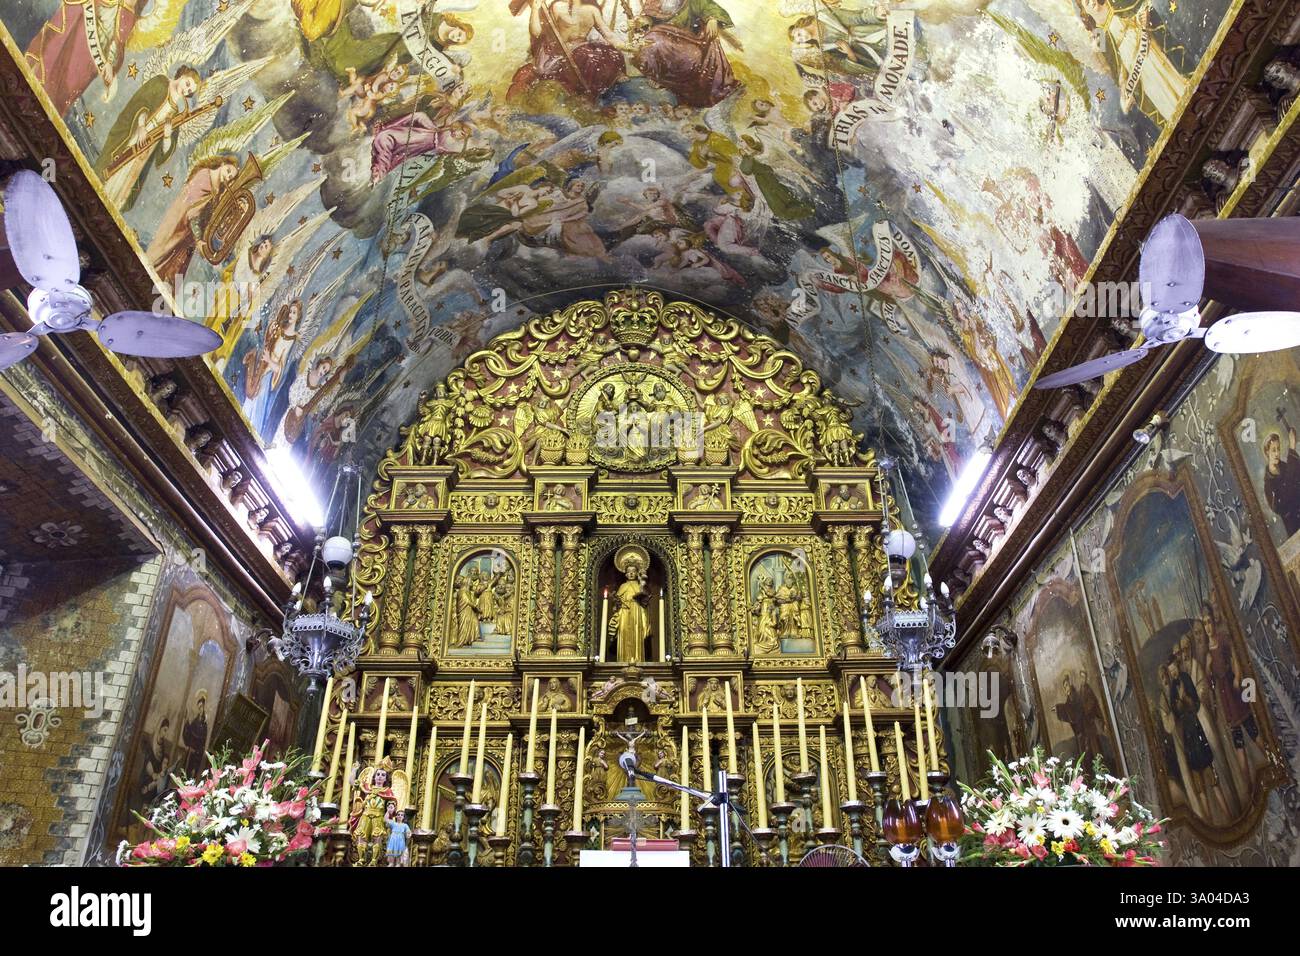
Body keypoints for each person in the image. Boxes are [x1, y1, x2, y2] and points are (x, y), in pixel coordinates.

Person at [1262, 421, 1300, 537]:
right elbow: (1282, 505)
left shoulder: (1284, 467)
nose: (1277, 453)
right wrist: (1292, 449)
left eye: (1278, 448)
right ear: (1267, 452)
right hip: (1295, 525)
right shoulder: (1268, 484)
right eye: (1273, 450)